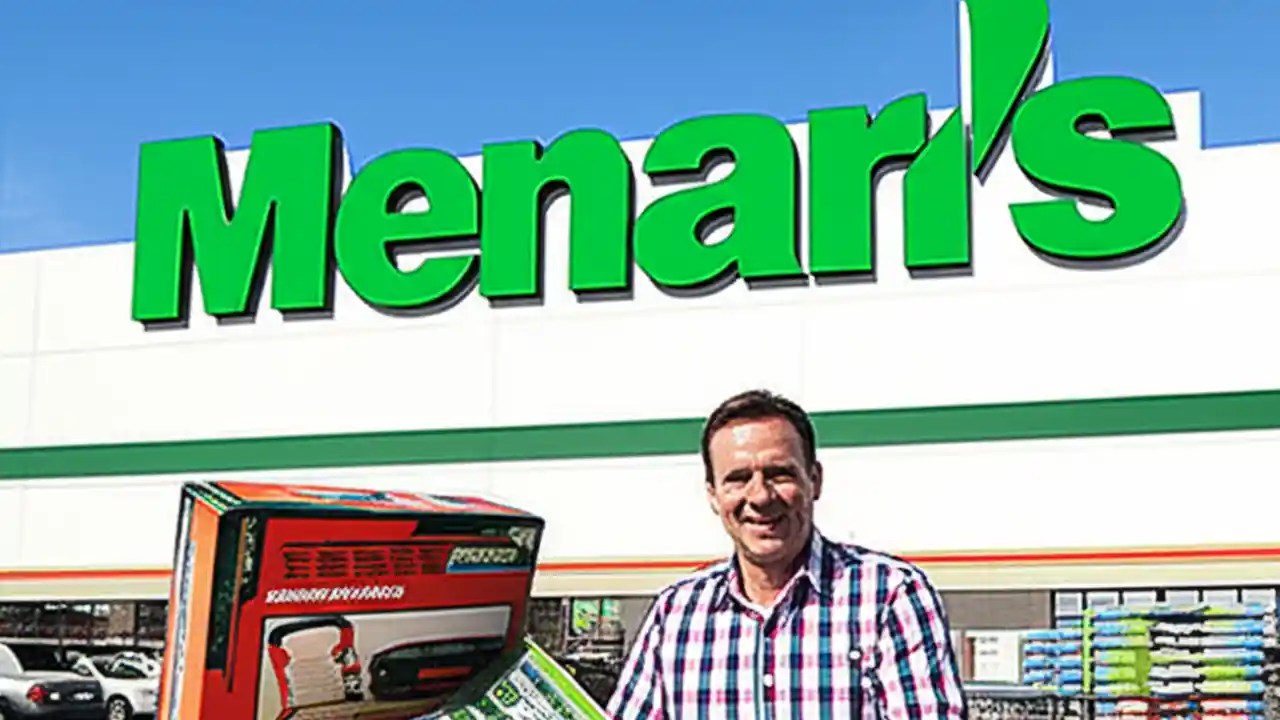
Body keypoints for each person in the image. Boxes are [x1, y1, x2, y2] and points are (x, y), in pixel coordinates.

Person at [607, 389, 967, 719]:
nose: (760, 497)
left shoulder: (888, 596)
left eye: (779, 474)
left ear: (815, 481)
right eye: (737, 478)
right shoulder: (676, 614)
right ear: (713, 495)